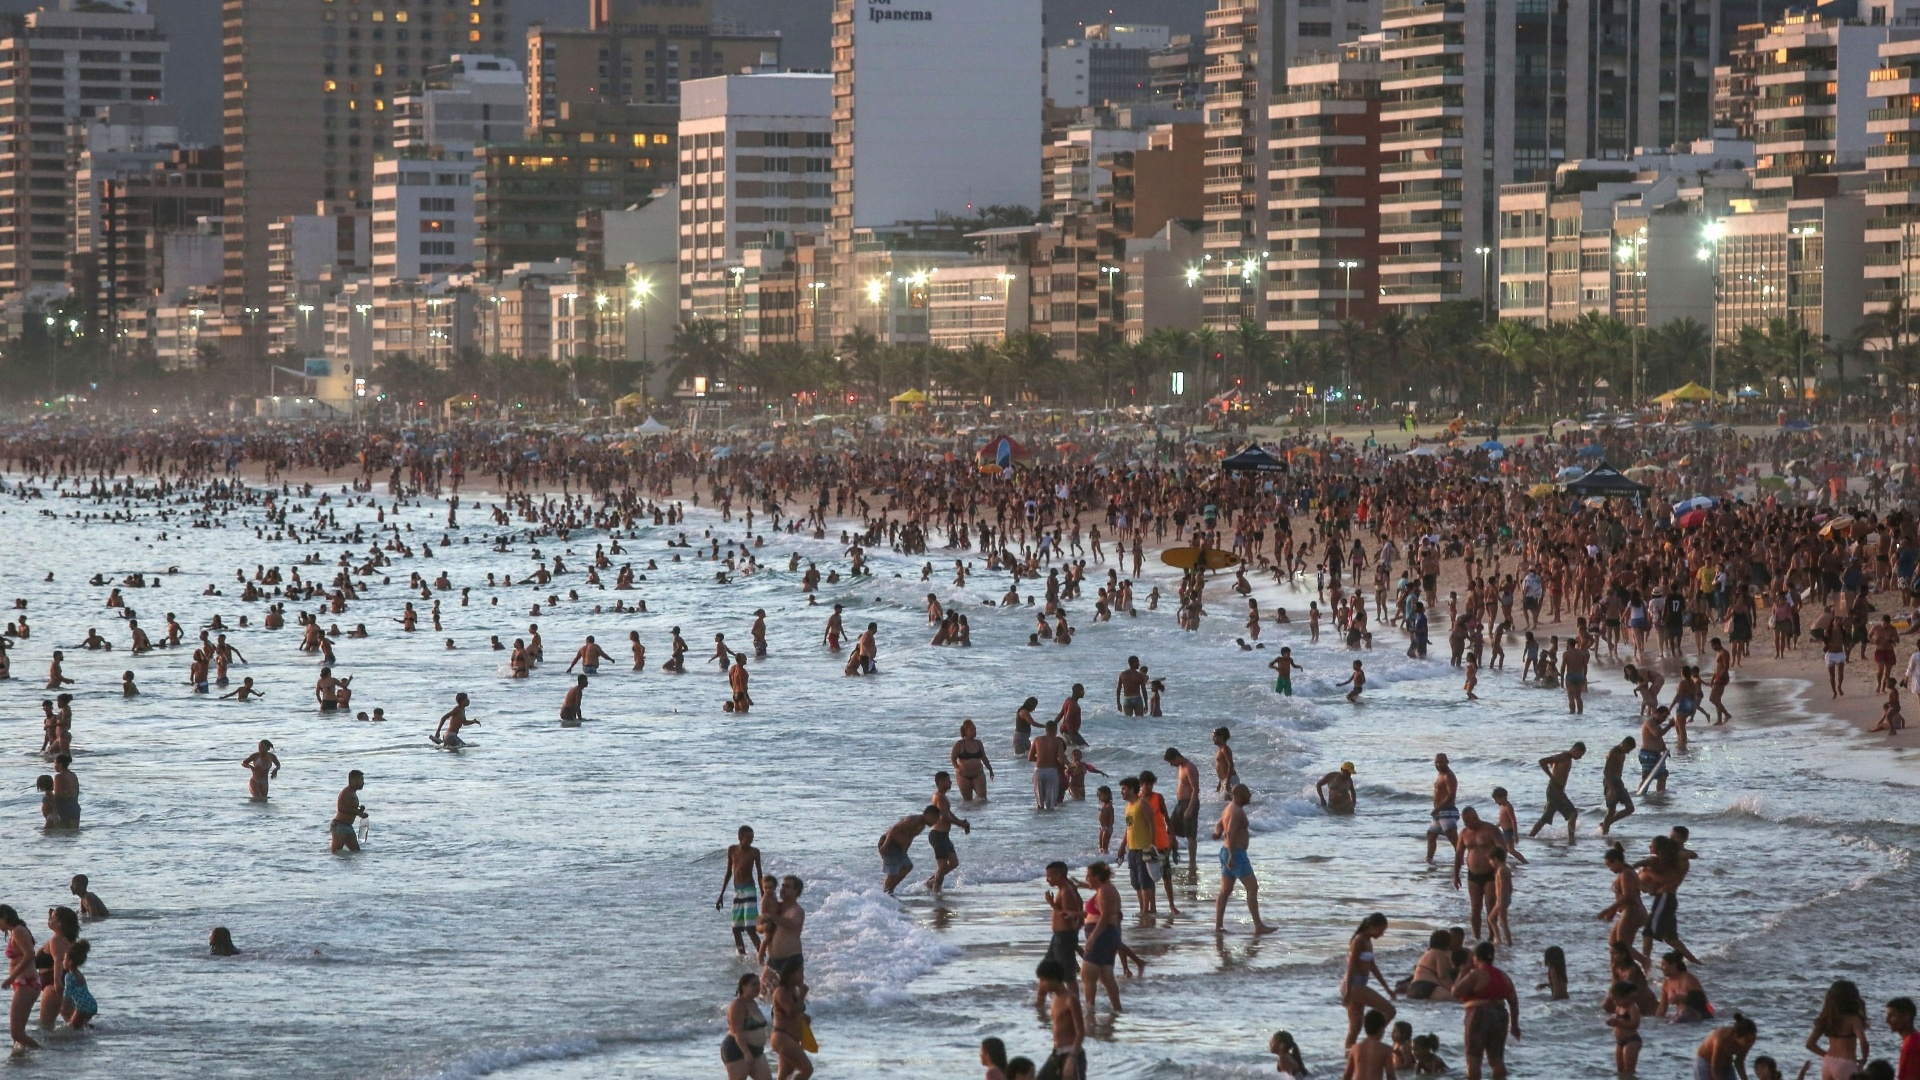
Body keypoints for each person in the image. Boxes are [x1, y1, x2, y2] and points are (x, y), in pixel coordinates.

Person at [1212, 783, 1277, 934]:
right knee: (1252, 887)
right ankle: (1258, 925)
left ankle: (1218, 925)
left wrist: (1216, 834)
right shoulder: (1237, 812)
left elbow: (1219, 825)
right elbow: (1231, 831)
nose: (1250, 796)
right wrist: (1233, 856)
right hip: (1236, 854)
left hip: (1225, 851)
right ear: (1240, 795)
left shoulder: (1228, 808)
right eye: (1248, 793)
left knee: (1225, 891)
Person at [1452, 941, 1520, 1080]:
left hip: (1479, 1014)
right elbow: (1513, 1002)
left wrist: (1463, 971)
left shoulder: (1476, 974)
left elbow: (1455, 992)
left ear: (1475, 957)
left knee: (1473, 1060)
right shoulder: (1504, 976)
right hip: (1501, 1014)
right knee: (1497, 1060)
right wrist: (1514, 1025)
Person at [1343, 913, 1397, 1047]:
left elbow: (1372, 966)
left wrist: (1387, 988)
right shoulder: (1359, 940)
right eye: (1381, 930)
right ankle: (1371, 1041)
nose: (1382, 934)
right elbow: (1351, 966)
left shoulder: (1368, 941)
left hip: (1359, 984)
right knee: (1390, 1010)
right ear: (1372, 926)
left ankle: (1349, 1056)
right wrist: (1348, 991)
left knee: (1355, 1027)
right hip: (1354, 984)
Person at [1078, 861, 1122, 1017]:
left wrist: (1092, 938)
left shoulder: (1104, 891)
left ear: (1097, 876)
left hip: (1103, 935)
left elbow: (1105, 917)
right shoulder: (1105, 889)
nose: (1087, 879)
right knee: (1106, 976)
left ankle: (1089, 1009)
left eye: (1088, 876)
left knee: (1087, 974)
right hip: (1109, 935)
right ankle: (1117, 1009)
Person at [1453, 806, 1502, 940]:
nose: (1468, 824)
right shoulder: (1464, 833)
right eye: (1465, 822)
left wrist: (1501, 872)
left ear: (1475, 817)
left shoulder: (1490, 829)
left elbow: (1502, 849)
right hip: (1473, 875)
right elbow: (1458, 854)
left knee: (1490, 905)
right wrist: (1456, 875)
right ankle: (1477, 938)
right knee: (1475, 908)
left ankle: (1492, 937)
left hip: (1490, 874)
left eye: (1469, 821)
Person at [1807, 979, 1871, 1079]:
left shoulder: (1828, 1019)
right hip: (1846, 1062)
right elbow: (1864, 1042)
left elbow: (1810, 1044)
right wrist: (1864, 1060)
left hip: (1828, 1062)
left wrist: (1827, 1055)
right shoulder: (1853, 1019)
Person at [716, 825, 765, 956]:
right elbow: (728, 873)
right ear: (740, 837)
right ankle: (742, 956)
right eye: (748, 838)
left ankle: (762, 955)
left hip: (749, 889)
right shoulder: (732, 850)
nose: (750, 841)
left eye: (752, 838)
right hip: (737, 890)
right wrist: (721, 895)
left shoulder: (755, 852)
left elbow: (760, 874)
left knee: (750, 927)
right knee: (736, 928)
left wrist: (763, 894)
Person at [1036, 958, 1086, 1080]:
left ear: (1053, 978)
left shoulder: (1071, 999)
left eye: (1043, 980)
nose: (1041, 984)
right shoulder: (1054, 999)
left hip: (1072, 1053)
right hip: (1056, 1053)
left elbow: (1081, 1032)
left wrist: (1072, 1059)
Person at [1528, 742, 1585, 842]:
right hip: (1555, 790)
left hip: (1557, 790)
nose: (1580, 758)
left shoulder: (1566, 758)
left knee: (1546, 817)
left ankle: (1530, 837)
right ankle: (1571, 839)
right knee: (1573, 813)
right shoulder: (1563, 756)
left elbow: (1552, 763)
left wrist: (1553, 770)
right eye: (1580, 755)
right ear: (1575, 750)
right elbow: (1542, 761)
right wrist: (1551, 776)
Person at [722, 972, 772, 1080]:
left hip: (757, 1051)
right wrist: (746, 1052)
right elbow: (737, 1032)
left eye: (758, 984)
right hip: (737, 1050)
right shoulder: (738, 1005)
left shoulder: (753, 1003)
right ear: (743, 986)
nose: (757, 987)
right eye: (753, 984)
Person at [878, 806, 939, 894]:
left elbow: (909, 838)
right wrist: (885, 845)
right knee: (892, 873)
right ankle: (885, 893)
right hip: (889, 844)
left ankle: (889, 889)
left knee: (907, 866)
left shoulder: (921, 826)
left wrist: (905, 851)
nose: (935, 822)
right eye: (935, 818)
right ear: (928, 814)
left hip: (899, 848)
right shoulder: (913, 820)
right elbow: (893, 829)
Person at [2, 906, 39, 1052]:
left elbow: (29, 954)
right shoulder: (15, 931)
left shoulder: (18, 931)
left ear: (4, 918)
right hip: (24, 983)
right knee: (18, 1035)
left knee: (16, 1033)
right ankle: (20, 1062)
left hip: (27, 984)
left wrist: (11, 978)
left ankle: (45, 1055)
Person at [927, 771, 970, 891]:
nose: (950, 782)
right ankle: (936, 890)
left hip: (943, 836)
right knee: (943, 865)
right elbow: (944, 817)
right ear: (940, 782)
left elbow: (948, 813)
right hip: (938, 835)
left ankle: (932, 881)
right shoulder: (940, 797)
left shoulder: (943, 797)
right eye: (948, 780)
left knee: (954, 862)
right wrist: (959, 824)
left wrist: (961, 822)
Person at [769, 962, 811, 1080]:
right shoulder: (781, 991)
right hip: (783, 1037)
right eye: (799, 972)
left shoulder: (792, 991)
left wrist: (804, 1019)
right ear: (790, 975)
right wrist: (802, 996)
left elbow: (795, 1013)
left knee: (784, 1076)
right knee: (807, 1069)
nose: (802, 976)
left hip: (791, 1038)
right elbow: (791, 1012)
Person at [1697, 1014, 1758, 1080]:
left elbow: (1739, 1062)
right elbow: (1715, 1068)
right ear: (1736, 1036)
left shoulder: (1748, 1040)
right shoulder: (1722, 1039)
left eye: (1753, 1039)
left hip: (1726, 1063)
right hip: (1706, 1061)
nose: (1750, 1043)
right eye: (1747, 1041)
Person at [1346, 1009, 1398, 1080]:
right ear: (1381, 1029)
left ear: (1365, 1028)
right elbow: (1390, 1076)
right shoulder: (1386, 1049)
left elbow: (1347, 1075)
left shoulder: (1354, 1048)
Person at [1426, 754, 1459, 863]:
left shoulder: (1449, 776)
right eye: (1436, 762)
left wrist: (1438, 808)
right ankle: (1429, 860)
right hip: (1439, 812)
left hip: (1447, 811)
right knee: (1431, 835)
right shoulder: (1440, 774)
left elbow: (1451, 795)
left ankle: (1461, 860)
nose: (1438, 765)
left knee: (1453, 837)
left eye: (1441, 762)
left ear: (1447, 762)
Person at [951, 720, 994, 802]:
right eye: (972, 730)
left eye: (975, 729)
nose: (974, 732)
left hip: (978, 774)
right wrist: (957, 767)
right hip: (963, 776)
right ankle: (970, 815)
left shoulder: (978, 743)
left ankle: (981, 815)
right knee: (968, 801)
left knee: (982, 799)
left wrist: (990, 769)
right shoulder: (959, 744)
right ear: (965, 732)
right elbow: (953, 758)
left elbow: (984, 758)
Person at [1601, 736, 1637, 834]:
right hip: (1610, 782)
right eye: (1628, 749)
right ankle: (1605, 833)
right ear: (1623, 744)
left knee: (1630, 808)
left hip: (1618, 782)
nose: (1629, 752)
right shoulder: (1613, 753)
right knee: (1611, 811)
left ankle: (1606, 824)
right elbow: (1606, 771)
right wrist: (1611, 788)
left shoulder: (1622, 754)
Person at [1608, 979, 1644, 1076]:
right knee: (1620, 1070)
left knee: (1629, 1071)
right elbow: (1618, 1021)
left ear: (1628, 996)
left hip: (1632, 1041)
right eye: (1614, 1000)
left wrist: (1619, 1023)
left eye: (1618, 999)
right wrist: (1613, 1023)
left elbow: (1635, 1024)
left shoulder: (1632, 1008)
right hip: (1620, 1041)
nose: (1616, 1002)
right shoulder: (1619, 1008)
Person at [1030, 720, 1067, 810]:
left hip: (1039, 770)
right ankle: (1051, 822)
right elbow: (1062, 761)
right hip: (1051, 771)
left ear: (1046, 729)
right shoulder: (1058, 742)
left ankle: (1040, 822)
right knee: (1051, 805)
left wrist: (1040, 759)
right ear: (1055, 730)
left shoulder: (1037, 739)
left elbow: (1030, 758)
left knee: (1039, 802)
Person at [331, 770, 368, 853]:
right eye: (361, 780)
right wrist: (359, 813)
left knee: (356, 851)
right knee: (336, 851)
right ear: (353, 781)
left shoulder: (352, 793)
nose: (363, 783)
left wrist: (359, 811)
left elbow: (349, 809)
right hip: (339, 826)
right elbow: (341, 808)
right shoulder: (347, 793)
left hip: (348, 826)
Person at [1884, 996, 1917, 1080]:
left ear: (1906, 1016)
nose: (1887, 1020)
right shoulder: (1912, 1040)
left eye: (1891, 1016)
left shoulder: (1912, 1044)